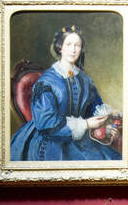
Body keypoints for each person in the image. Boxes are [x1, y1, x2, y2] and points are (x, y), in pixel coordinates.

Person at [10, 27, 121, 162]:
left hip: (81, 138)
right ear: (60, 48)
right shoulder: (47, 81)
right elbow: (46, 122)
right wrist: (85, 124)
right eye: (68, 45)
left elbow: (95, 108)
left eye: (77, 45)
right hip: (50, 139)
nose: (73, 49)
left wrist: (107, 126)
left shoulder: (84, 79)